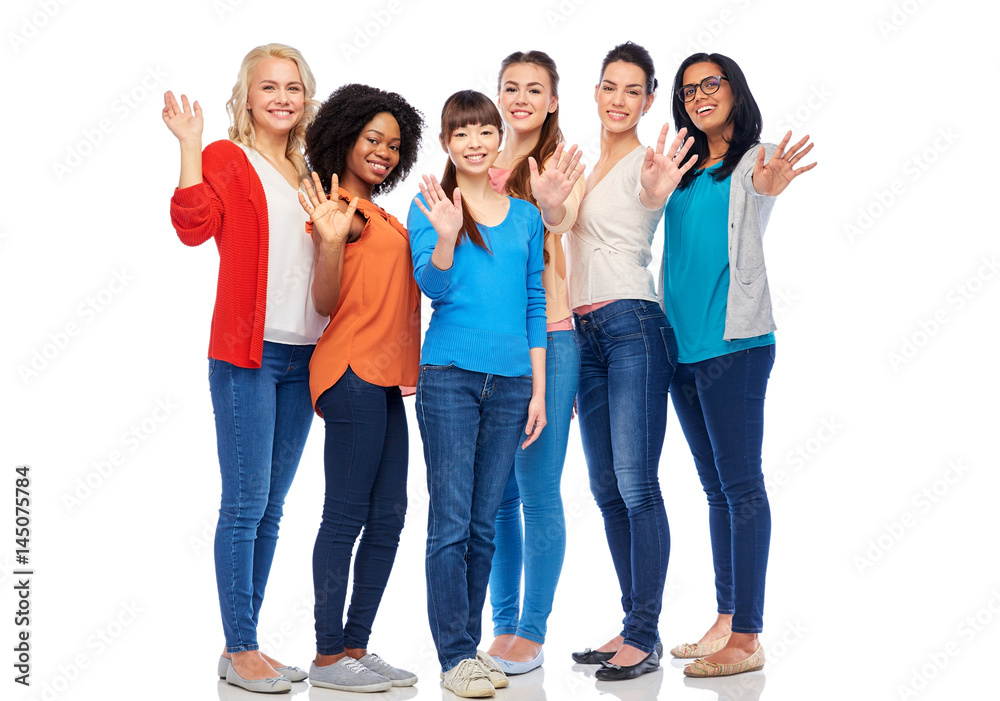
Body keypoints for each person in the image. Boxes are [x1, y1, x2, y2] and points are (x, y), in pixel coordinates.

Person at [164, 43, 322, 694]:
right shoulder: (228, 158)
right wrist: (189, 146)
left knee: (272, 507)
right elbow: (193, 226)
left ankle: (246, 643)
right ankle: (241, 647)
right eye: (269, 87)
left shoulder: (309, 170)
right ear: (248, 98)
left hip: (304, 356)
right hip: (247, 354)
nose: (282, 97)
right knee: (245, 503)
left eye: (293, 87)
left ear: (305, 99)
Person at [663, 53, 815, 678]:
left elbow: (762, 194)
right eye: (687, 89)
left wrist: (769, 186)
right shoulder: (680, 168)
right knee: (716, 489)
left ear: (734, 91)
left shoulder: (756, 161)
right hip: (680, 350)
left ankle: (748, 636)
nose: (699, 95)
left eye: (711, 84)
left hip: (735, 348)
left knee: (742, 488)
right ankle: (726, 618)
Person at [408, 90, 547, 699]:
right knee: (451, 521)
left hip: (513, 383)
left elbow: (535, 302)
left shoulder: (526, 216)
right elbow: (431, 284)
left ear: (498, 139)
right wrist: (445, 235)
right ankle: (455, 655)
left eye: (485, 131)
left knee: (485, 523)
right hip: (449, 377)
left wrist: (539, 390)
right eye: (461, 133)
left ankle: (467, 647)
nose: (474, 142)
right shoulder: (431, 205)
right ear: (446, 143)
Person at [566, 42, 696, 682]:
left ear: (648, 102)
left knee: (636, 483)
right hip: (584, 334)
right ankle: (632, 624)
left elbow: (649, 197)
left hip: (632, 326)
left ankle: (644, 636)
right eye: (610, 87)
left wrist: (654, 190)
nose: (619, 100)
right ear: (596, 93)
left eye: (633, 91)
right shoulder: (582, 165)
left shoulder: (648, 163)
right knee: (606, 488)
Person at [298, 83, 424, 692]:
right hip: (350, 372)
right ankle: (327, 658)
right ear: (344, 137)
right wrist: (329, 240)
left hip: (386, 380)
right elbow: (325, 301)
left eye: (394, 145)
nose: (383, 152)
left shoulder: (383, 215)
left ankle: (355, 646)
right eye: (373, 139)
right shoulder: (337, 211)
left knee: (390, 515)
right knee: (345, 514)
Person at [485, 50, 585, 676]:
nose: (521, 98)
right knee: (497, 496)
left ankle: (532, 629)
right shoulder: (476, 158)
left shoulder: (559, 164)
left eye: (534, 89)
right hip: (490, 347)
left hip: (550, 337)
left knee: (538, 490)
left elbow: (562, 218)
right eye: (511, 87)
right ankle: (502, 624)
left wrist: (549, 204)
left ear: (552, 101)